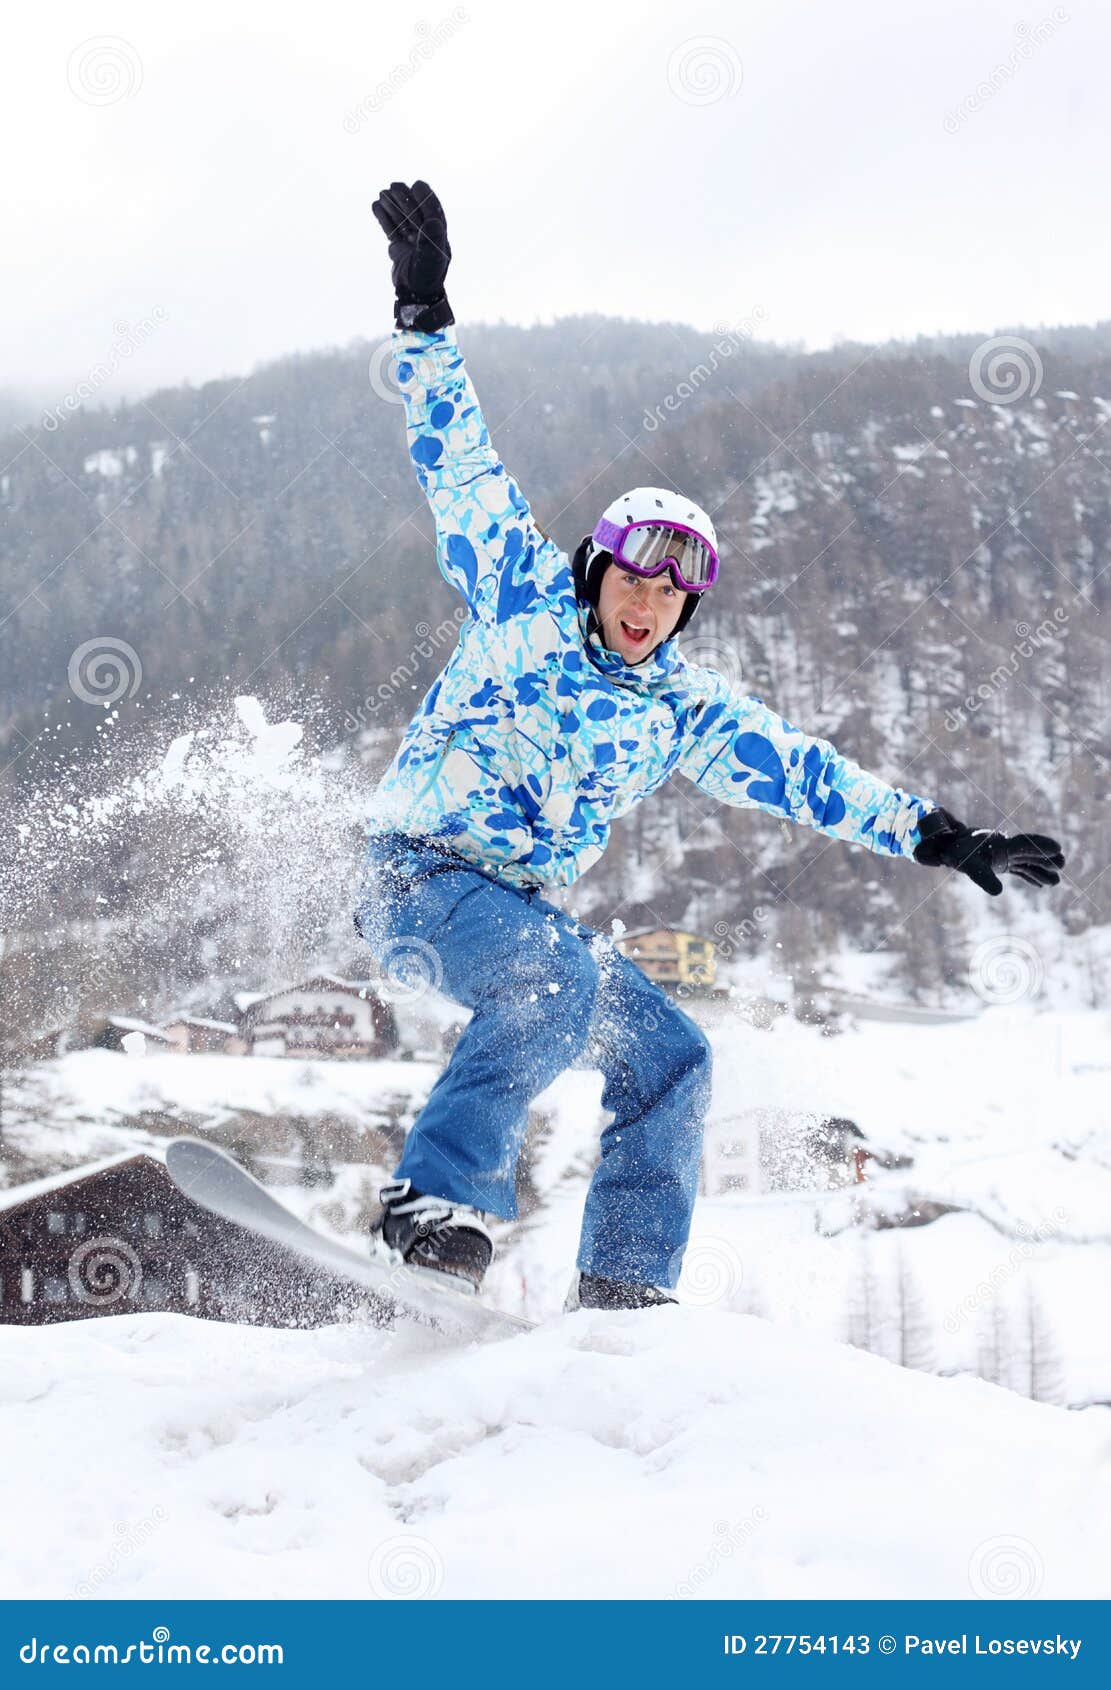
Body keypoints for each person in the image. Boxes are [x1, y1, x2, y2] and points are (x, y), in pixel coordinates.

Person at [354, 180, 1065, 1311]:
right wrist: (425, 315)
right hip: (415, 877)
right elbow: (460, 466)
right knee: (550, 979)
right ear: (595, 571)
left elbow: (806, 773)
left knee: (674, 1055)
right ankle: (430, 1201)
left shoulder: (681, 708)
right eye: (631, 579)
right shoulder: (519, 591)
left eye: (670, 597)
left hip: (525, 919)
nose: (645, 607)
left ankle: (626, 1293)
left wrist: (939, 836)